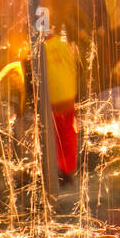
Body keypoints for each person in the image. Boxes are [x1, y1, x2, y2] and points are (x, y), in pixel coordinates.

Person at [43, 24, 79, 183]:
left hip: (54, 98)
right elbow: (73, 66)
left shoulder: (41, 49)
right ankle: (69, 169)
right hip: (68, 94)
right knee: (68, 133)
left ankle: (62, 171)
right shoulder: (61, 43)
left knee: (57, 136)